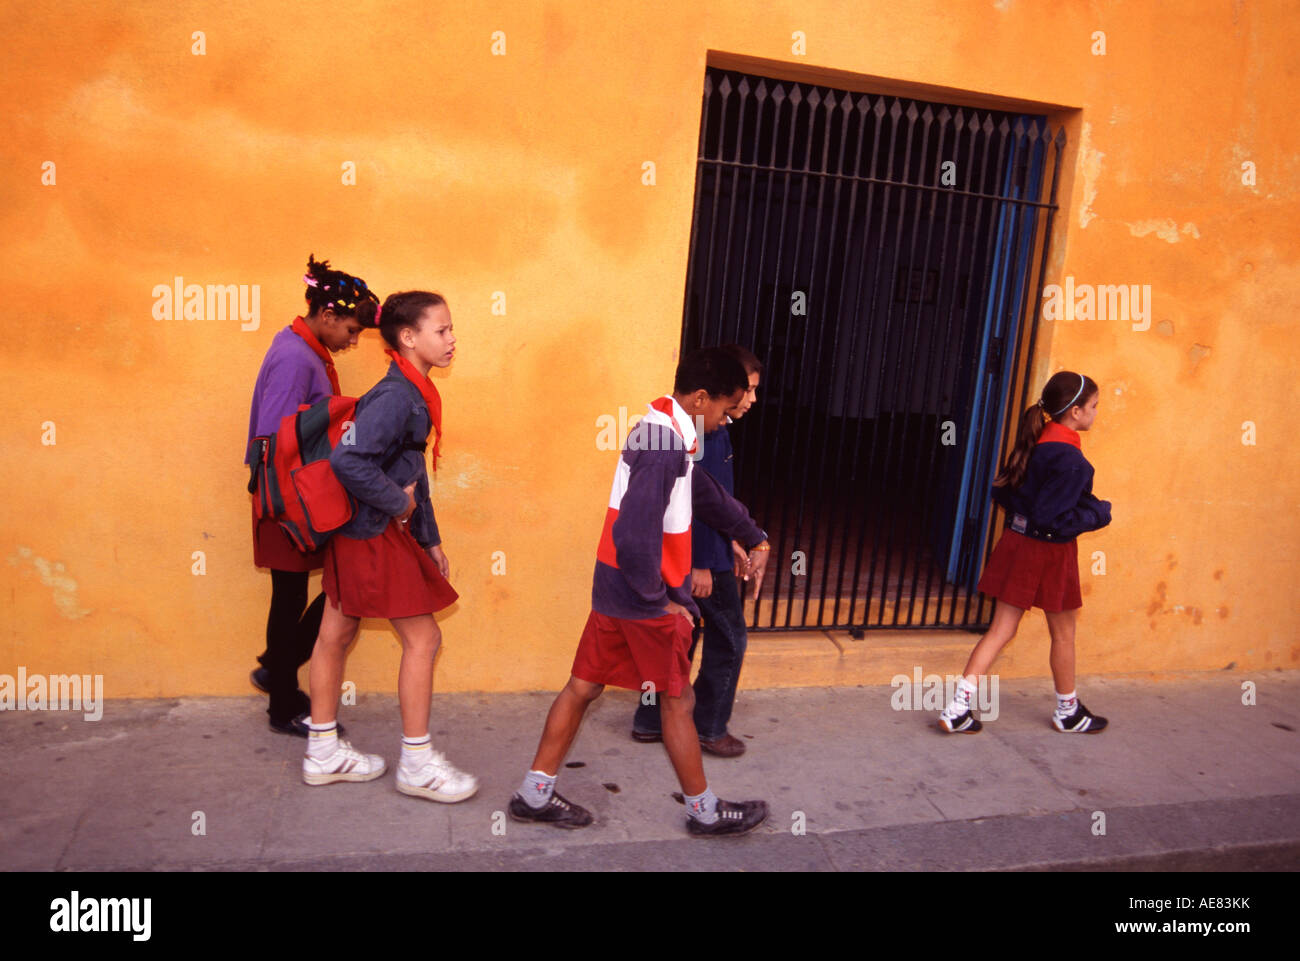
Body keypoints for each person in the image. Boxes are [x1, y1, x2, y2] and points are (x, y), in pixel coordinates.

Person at [508, 348, 773, 836]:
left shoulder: (665, 428)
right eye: (724, 406)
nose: (726, 417)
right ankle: (704, 811)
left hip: (614, 587)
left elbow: (703, 494)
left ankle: (534, 793)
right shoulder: (664, 445)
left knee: (583, 687)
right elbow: (634, 533)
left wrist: (753, 534)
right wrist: (662, 599)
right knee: (677, 701)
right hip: (641, 597)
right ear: (700, 399)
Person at [301, 290, 477, 803]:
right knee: (425, 641)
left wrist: (429, 535)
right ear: (408, 337)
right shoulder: (398, 395)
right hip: (372, 533)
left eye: (450, 330)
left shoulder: (409, 390)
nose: (451, 339)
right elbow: (349, 462)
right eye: (441, 330)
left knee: (335, 634)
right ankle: (417, 764)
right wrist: (400, 511)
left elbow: (410, 467)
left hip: (363, 532)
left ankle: (322, 751)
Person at [245, 255, 377, 736]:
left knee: (331, 586)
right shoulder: (294, 357)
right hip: (287, 499)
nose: (354, 341)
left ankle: (275, 668)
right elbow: (277, 437)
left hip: (300, 494)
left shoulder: (306, 351)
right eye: (351, 330)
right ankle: (282, 702)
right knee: (290, 596)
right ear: (326, 316)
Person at [939, 370, 1112, 734]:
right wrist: (1097, 513)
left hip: (1016, 545)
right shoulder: (1072, 461)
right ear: (1076, 412)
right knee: (1064, 635)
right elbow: (1053, 518)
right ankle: (1068, 712)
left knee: (1001, 630)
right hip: (1049, 553)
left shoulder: (1033, 444)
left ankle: (957, 708)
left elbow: (1002, 492)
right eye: (1094, 406)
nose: (1097, 412)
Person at [631, 343, 765, 757]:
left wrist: (738, 537)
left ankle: (650, 720)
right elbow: (690, 504)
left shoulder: (709, 426)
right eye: (746, 391)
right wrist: (702, 564)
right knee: (730, 638)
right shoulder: (695, 432)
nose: (750, 400)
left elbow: (714, 498)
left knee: (680, 638)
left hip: (704, 551)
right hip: (699, 558)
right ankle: (707, 727)